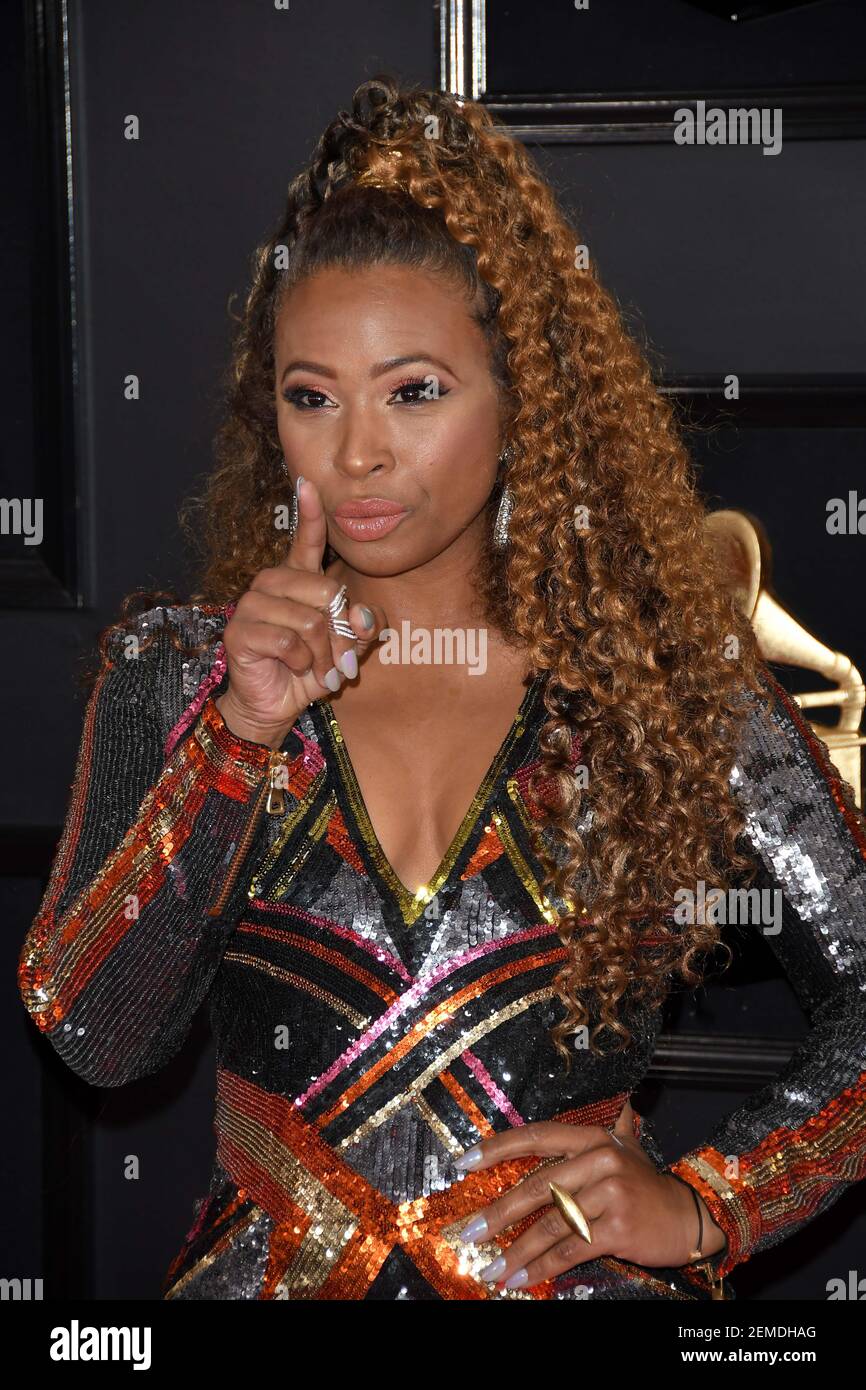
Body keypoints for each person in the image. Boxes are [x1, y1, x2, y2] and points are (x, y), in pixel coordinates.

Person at [18, 76, 866, 1302]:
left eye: (413, 391)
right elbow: (97, 1035)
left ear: (523, 400)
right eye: (312, 397)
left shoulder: (666, 698)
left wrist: (708, 1203)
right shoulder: (181, 676)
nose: (356, 451)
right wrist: (241, 734)